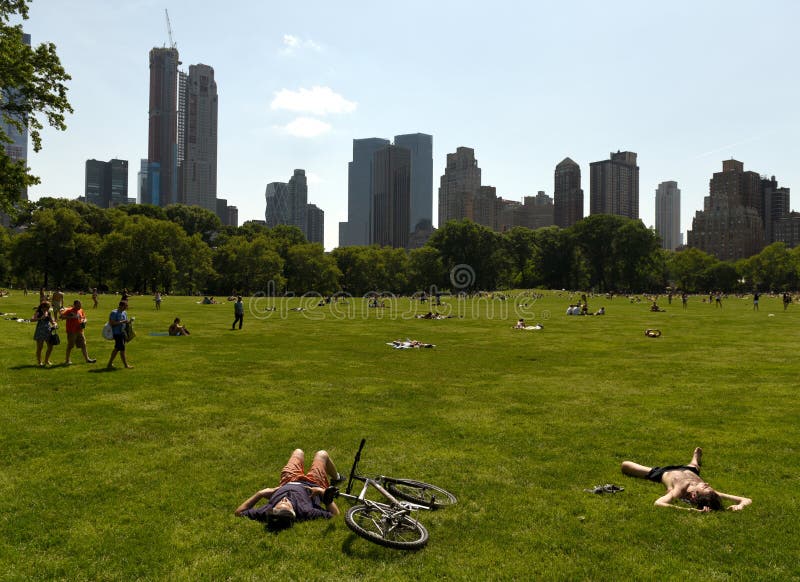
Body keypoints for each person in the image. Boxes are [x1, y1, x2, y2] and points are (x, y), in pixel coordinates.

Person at [235, 449, 343, 530]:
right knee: (322, 454)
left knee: (298, 452)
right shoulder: (306, 511)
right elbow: (335, 515)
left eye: (279, 503)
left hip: (288, 480)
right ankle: (337, 477)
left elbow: (239, 512)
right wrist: (322, 492)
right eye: (286, 504)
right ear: (293, 512)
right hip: (314, 482)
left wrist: (260, 494)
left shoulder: (269, 511)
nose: (284, 500)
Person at [621, 447, 751, 512]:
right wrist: (740, 506)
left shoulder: (680, 490)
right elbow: (746, 499)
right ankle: (696, 458)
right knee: (694, 465)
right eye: (707, 485)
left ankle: (695, 459)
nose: (706, 483)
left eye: (705, 487)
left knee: (625, 465)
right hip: (690, 470)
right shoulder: (711, 493)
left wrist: (691, 511)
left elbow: (659, 503)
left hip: (664, 472)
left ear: (694, 495)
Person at [61, 299, 96, 364]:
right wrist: (70, 317)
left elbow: (84, 318)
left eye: (80, 305)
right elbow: (61, 317)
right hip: (71, 331)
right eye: (78, 305)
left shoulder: (81, 310)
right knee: (70, 346)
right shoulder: (69, 310)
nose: (80, 306)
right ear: (74, 305)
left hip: (80, 330)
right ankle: (67, 360)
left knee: (83, 345)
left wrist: (84, 321)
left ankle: (87, 359)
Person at [106, 300, 133, 369]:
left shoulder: (124, 312)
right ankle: (126, 365)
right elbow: (112, 323)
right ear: (121, 306)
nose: (126, 307)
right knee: (122, 349)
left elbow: (125, 322)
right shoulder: (114, 313)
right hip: (117, 333)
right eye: (125, 306)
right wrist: (122, 322)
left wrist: (129, 322)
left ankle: (109, 364)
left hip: (123, 333)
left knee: (117, 348)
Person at [32, 300, 58, 366]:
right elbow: (32, 319)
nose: (48, 309)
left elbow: (52, 321)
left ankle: (46, 360)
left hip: (48, 330)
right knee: (40, 347)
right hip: (40, 330)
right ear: (43, 307)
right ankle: (39, 362)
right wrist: (40, 318)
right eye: (47, 307)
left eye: (48, 307)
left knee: (50, 346)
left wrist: (55, 324)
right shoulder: (38, 312)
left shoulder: (48, 312)